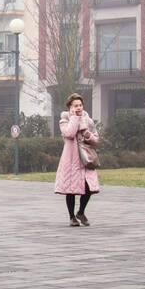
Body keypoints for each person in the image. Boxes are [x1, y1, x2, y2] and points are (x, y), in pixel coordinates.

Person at [55, 93, 100, 226]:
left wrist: (88, 135)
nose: (79, 108)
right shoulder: (64, 120)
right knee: (71, 189)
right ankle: (72, 217)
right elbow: (69, 133)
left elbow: (96, 139)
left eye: (80, 105)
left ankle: (81, 212)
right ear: (70, 107)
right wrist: (74, 118)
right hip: (71, 160)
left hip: (85, 160)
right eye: (75, 105)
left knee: (88, 188)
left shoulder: (89, 121)